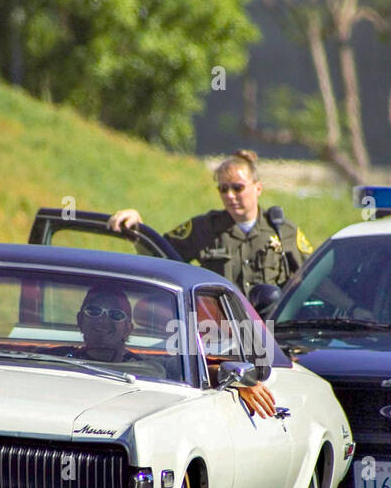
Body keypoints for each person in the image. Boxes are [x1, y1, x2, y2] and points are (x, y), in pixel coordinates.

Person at [107, 150, 314, 297]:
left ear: (258, 188)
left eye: (237, 188)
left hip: (270, 338)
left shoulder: (284, 232)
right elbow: (160, 258)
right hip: (217, 334)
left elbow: (316, 280)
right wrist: (138, 230)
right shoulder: (204, 229)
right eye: (223, 189)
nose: (230, 196)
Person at [58, 285, 277, 418]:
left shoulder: (154, 368)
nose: (103, 320)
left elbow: (202, 369)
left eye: (116, 315)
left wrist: (240, 379)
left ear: (129, 328)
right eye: (94, 311)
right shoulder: (52, 361)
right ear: (80, 319)